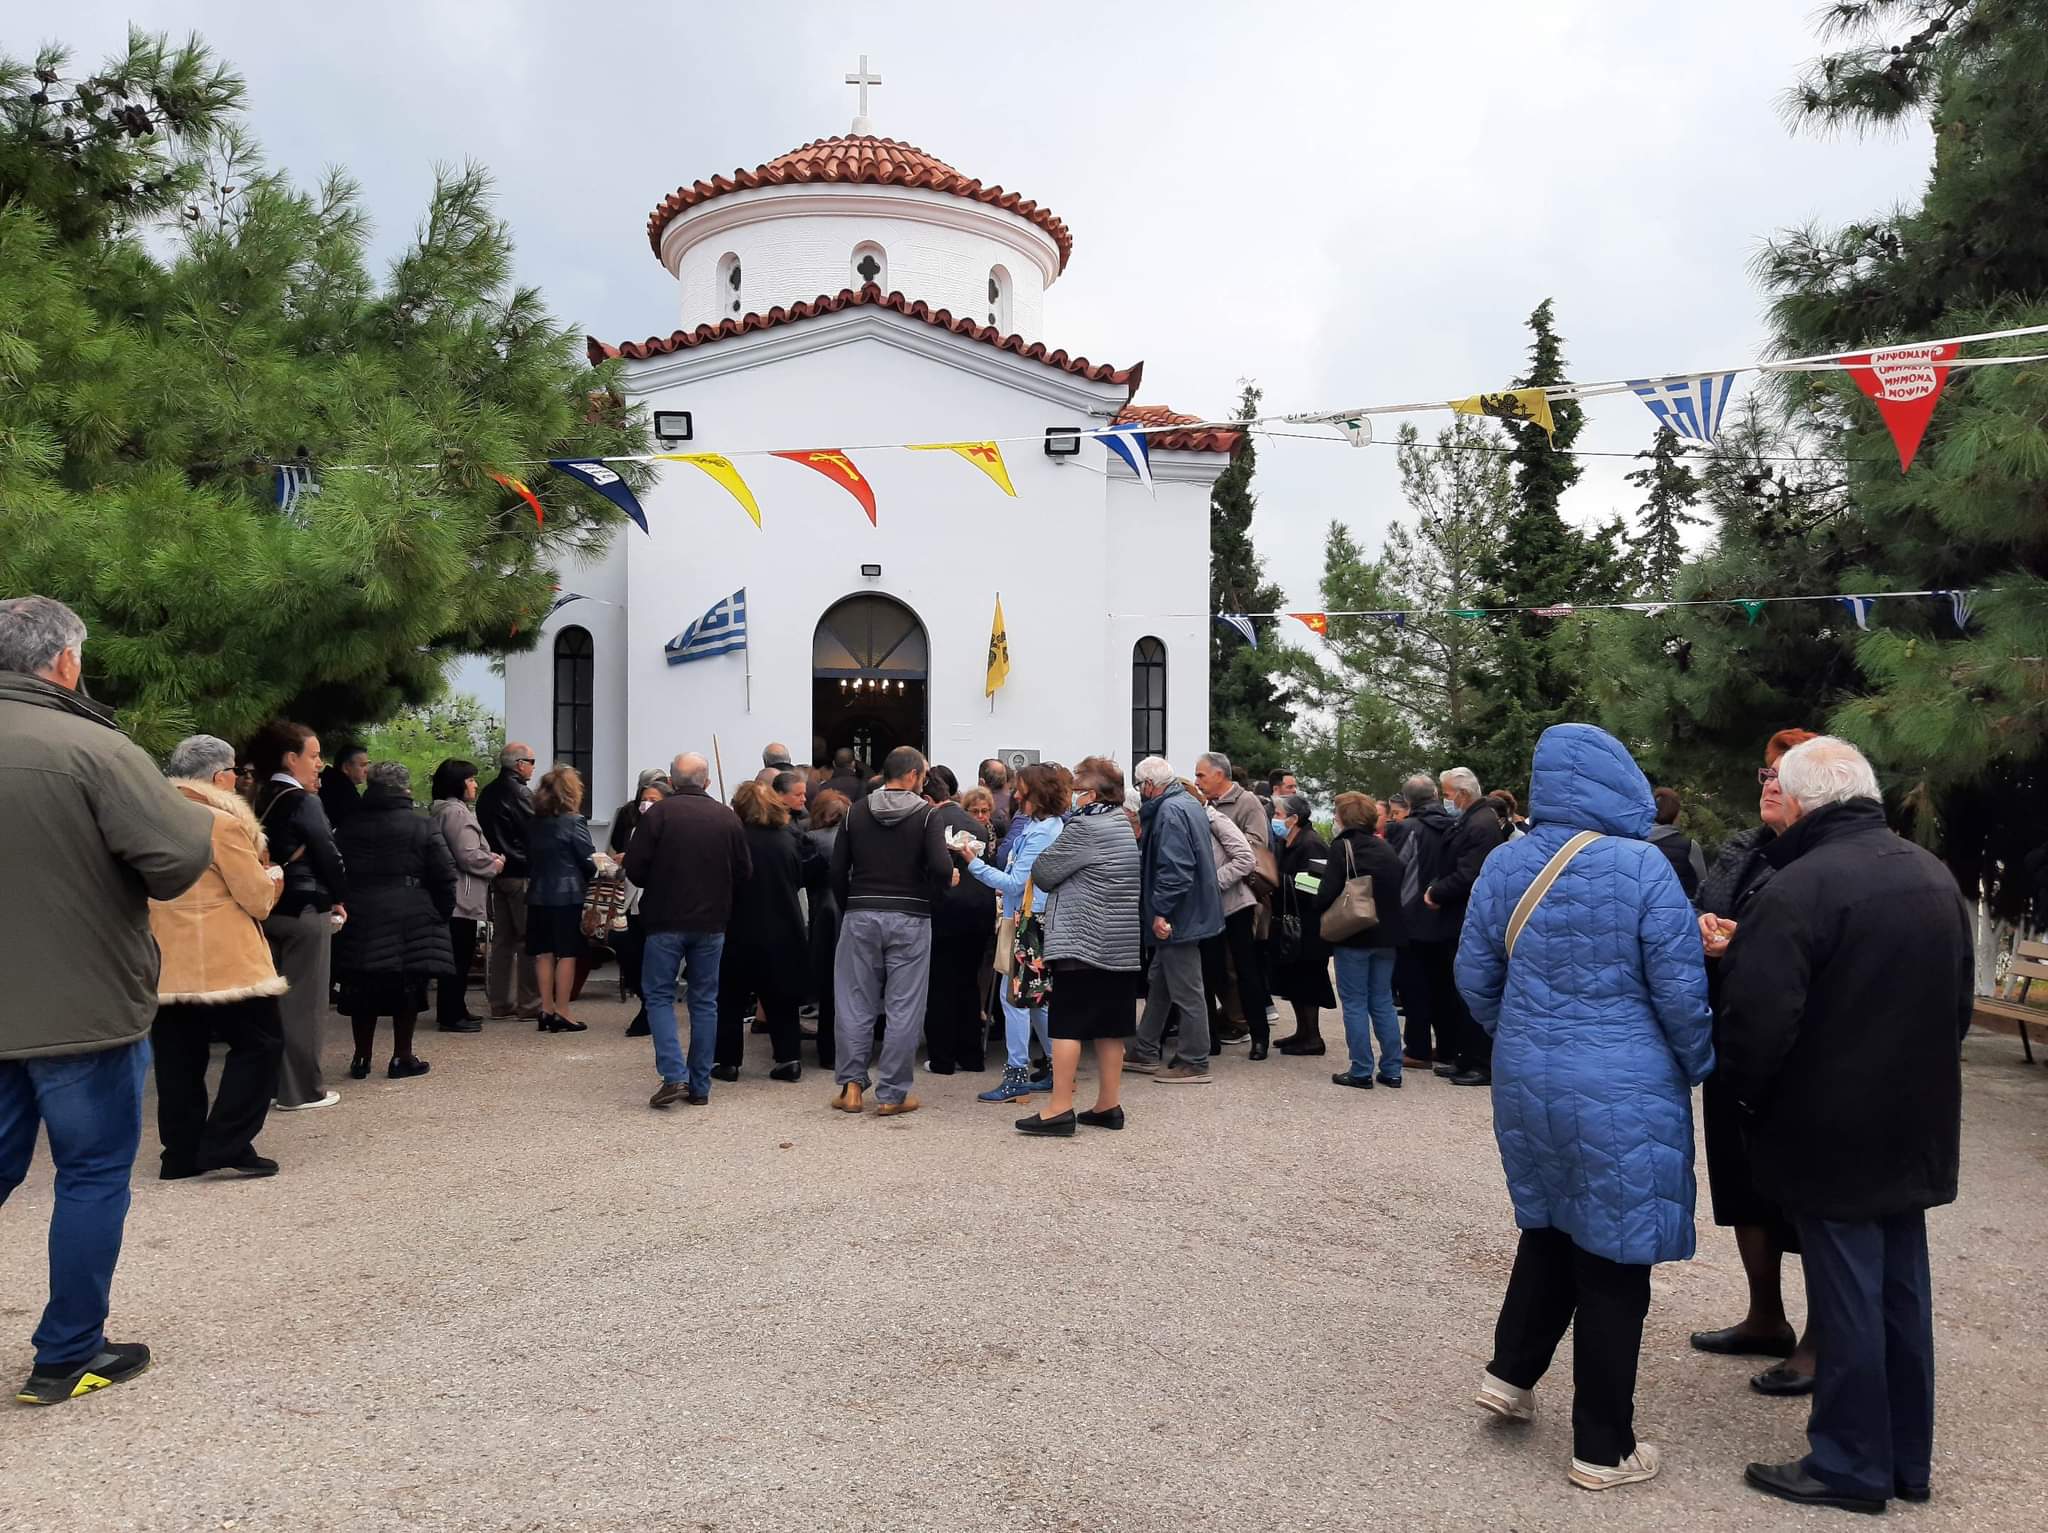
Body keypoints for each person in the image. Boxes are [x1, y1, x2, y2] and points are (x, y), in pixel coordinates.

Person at [1718, 738, 1974, 1516]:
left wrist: (1749, 1102)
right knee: (1900, 1289)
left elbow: (1756, 1026)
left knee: (1850, 1295)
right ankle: (1905, 1458)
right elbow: (1956, 1011)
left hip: (1830, 1126)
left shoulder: (1800, 887)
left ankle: (1850, 1461)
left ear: (1797, 804)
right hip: (1914, 1121)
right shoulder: (1932, 875)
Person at [1456, 723, 1714, 1493]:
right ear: (1621, 783)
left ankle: (1511, 1373)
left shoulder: (1506, 862)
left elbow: (1474, 976)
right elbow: (1679, 990)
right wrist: (1699, 1060)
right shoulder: (1643, 867)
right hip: (1622, 1082)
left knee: (1551, 1220)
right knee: (1615, 1252)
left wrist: (1525, 1036)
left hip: (1528, 1076)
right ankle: (1604, 1445)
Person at [1, 596, 213, 1405]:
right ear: (63, 662)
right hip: (82, 1005)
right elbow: (176, 855)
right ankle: (67, 1352)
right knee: (90, 1174)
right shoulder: (94, 746)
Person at [1689, 728, 1821, 1395]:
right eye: (1765, 770)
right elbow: (1703, 910)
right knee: (1741, 1183)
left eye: (1784, 772)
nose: (1769, 781)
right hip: (1733, 1034)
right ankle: (1765, 1316)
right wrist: (1707, 930)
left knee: (1811, 1194)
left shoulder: (1825, 857)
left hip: (1799, 1051)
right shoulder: (1741, 848)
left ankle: (1824, 1338)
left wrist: (1750, 942)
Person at [148, 735, 288, 1180]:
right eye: (234, 772)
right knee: (261, 1043)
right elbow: (257, 898)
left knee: (178, 1057)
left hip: (163, 957)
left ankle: (180, 1153)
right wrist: (275, 876)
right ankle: (226, 1140)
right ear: (216, 776)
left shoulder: (146, 817)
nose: (238, 780)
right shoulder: (221, 824)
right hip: (226, 959)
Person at [1015, 756, 1141, 1136]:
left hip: (1082, 940)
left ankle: (1059, 1108)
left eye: (1077, 790)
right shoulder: (1121, 823)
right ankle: (1108, 1104)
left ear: (1091, 793)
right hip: (1119, 943)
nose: (1073, 797)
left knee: (1066, 1025)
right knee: (1109, 1028)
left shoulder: (1086, 827)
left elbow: (1045, 871)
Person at [829, 746, 951, 1116]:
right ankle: (892, 1094)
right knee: (904, 1006)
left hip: (861, 912)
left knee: (853, 1002)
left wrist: (850, 902)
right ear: (913, 776)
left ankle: (851, 1087)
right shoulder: (927, 816)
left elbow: (837, 870)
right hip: (911, 916)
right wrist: (933, 894)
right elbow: (942, 870)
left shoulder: (856, 812)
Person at [626, 752, 750, 1108]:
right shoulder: (726, 817)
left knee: (660, 997)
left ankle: (674, 1075)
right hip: (712, 922)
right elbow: (744, 872)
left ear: (672, 783)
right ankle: (700, 1084)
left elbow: (635, 869)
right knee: (704, 1001)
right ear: (707, 782)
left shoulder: (659, 815)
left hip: (665, 918)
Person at [331, 762, 457, 1080]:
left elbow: (335, 871)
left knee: (360, 986)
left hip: (360, 911)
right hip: (411, 912)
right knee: (408, 987)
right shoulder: (423, 825)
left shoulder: (348, 826)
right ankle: (402, 1056)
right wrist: (440, 913)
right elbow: (444, 874)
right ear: (406, 788)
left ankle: (361, 1057)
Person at [249, 720, 349, 1112]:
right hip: (305, 904)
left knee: (270, 1003)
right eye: (314, 755)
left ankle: (272, 1085)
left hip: (264, 906)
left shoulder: (255, 797)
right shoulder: (304, 800)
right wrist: (340, 896)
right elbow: (328, 852)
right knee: (305, 1004)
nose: (320, 764)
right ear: (291, 759)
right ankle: (302, 1090)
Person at [965, 763, 1067, 1101]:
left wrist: (972, 862)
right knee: (1035, 1001)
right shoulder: (1046, 825)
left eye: (1022, 787)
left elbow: (1013, 882)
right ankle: (1055, 1067)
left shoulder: (1040, 832)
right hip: (1031, 918)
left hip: (1026, 922)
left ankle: (1017, 1074)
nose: (1016, 793)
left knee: (1015, 1000)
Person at [1127, 757, 1224, 1085]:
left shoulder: (1169, 812)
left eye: (1140, 786)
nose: (1140, 793)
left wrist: (1161, 912)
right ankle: (1145, 1048)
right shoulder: (1186, 804)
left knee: (1186, 989)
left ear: (1149, 785)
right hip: (1190, 911)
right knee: (1163, 983)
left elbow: (1175, 870)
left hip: (1179, 916)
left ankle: (1194, 1060)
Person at [716, 781, 811, 1082]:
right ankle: (788, 1058)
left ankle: (728, 1061)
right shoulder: (789, 838)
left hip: (739, 927)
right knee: (782, 997)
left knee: (730, 998)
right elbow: (805, 873)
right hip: (783, 925)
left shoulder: (732, 839)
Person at [1314, 793, 1409, 1089]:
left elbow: (1329, 890)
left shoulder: (1342, 847)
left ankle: (1361, 1069)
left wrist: (1316, 907)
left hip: (1354, 934)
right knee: (1381, 1000)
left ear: (1343, 818)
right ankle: (1392, 1068)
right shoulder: (1386, 848)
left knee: (1354, 1002)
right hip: (1388, 934)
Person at [1423, 767, 1509, 1085]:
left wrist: (1437, 890)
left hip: (1465, 916)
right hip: (1455, 915)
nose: (1446, 800)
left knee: (1471, 990)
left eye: (1447, 794)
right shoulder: (1472, 819)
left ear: (1462, 793)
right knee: (1457, 991)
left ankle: (1480, 1062)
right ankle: (1464, 1056)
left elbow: (1470, 872)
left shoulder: (1481, 824)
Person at [1195, 750, 1273, 1052]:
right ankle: (1212, 1036)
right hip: (1212, 902)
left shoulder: (1247, 802)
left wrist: (1220, 844)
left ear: (1219, 774)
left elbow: (1254, 848)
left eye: (1202, 775)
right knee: (1210, 970)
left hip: (1238, 898)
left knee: (1245, 968)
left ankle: (1259, 1036)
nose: (1198, 781)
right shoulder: (1203, 804)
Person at [925, 767, 993, 1074]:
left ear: (928, 798)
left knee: (940, 985)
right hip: (978, 910)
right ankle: (971, 1055)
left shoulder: (930, 822)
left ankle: (942, 1058)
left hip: (944, 910)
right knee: (968, 983)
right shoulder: (976, 825)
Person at [428, 759, 504, 1034]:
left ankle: (456, 1008)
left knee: (458, 955)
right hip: (462, 895)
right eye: (470, 780)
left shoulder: (442, 811)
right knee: (457, 957)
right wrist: (492, 864)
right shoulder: (457, 814)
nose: (474, 784)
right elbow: (468, 855)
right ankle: (451, 1013)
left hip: (454, 894)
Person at [526, 765, 602, 1034]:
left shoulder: (534, 822)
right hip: (568, 894)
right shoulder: (574, 821)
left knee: (543, 954)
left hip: (537, 893)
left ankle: (545, 1009)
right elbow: (588, 859)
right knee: (567, 954)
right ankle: (563, 1010)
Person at [477, 743, 539, 1020]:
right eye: (531, 761)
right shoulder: (521, 793)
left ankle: (500, 1003)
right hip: (521, 872)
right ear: (519, 764)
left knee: (502, 941)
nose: (533, 767)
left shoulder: (488, 792)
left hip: (497, 872)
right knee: (528, 939)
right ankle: (530, 1004)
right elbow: (533, 830)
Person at [1270, 794, 1336, 1054]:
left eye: (1278, 814)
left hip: (1308, 925)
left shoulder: (1311, 844)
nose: (1274, 819)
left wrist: (1282, 882)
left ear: (1293, 818)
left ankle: (1313, 1036)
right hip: (1292, 922)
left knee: (1308, 980)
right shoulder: (1287, 842)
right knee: (1294, 980)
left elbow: (1315, 886)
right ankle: (1302, 1031)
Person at [609, 771, 670, 1038]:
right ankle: (646, 999)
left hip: (657, 901)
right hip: (629, 899)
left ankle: (650, 1009)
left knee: (651, 956)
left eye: (654, 799)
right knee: (625, 947)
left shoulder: (673, 828)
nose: (647, 804)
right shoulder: (634, 827)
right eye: (644, 799)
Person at [805, 789, 850, 1070]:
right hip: (851, 912)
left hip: (824, 915)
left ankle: (828, 1051)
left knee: (828, 988)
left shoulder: (812, 839)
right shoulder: (857, 838)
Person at [1647, 787, 1707, 900]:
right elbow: (1704, 885)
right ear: (1676, 815)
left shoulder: (1632, 843)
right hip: (1682, 912)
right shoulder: (1689, 846)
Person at [319, 745, 368, 827]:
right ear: (346, 768)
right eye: (362, 765)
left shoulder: (325, 780)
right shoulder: (346, 795)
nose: (367, 770)